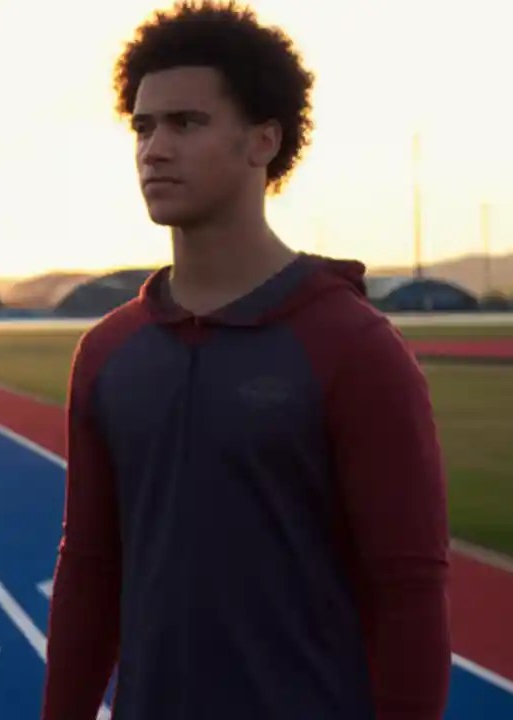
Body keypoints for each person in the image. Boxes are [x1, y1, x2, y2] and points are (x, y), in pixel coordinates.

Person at [40, 2, 451, 719]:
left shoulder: (352, 347)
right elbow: (90, 570)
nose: (154, 149)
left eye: (185, 123)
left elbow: (409, 589)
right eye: (143, 126)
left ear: (264, 140)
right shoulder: (108, 352)